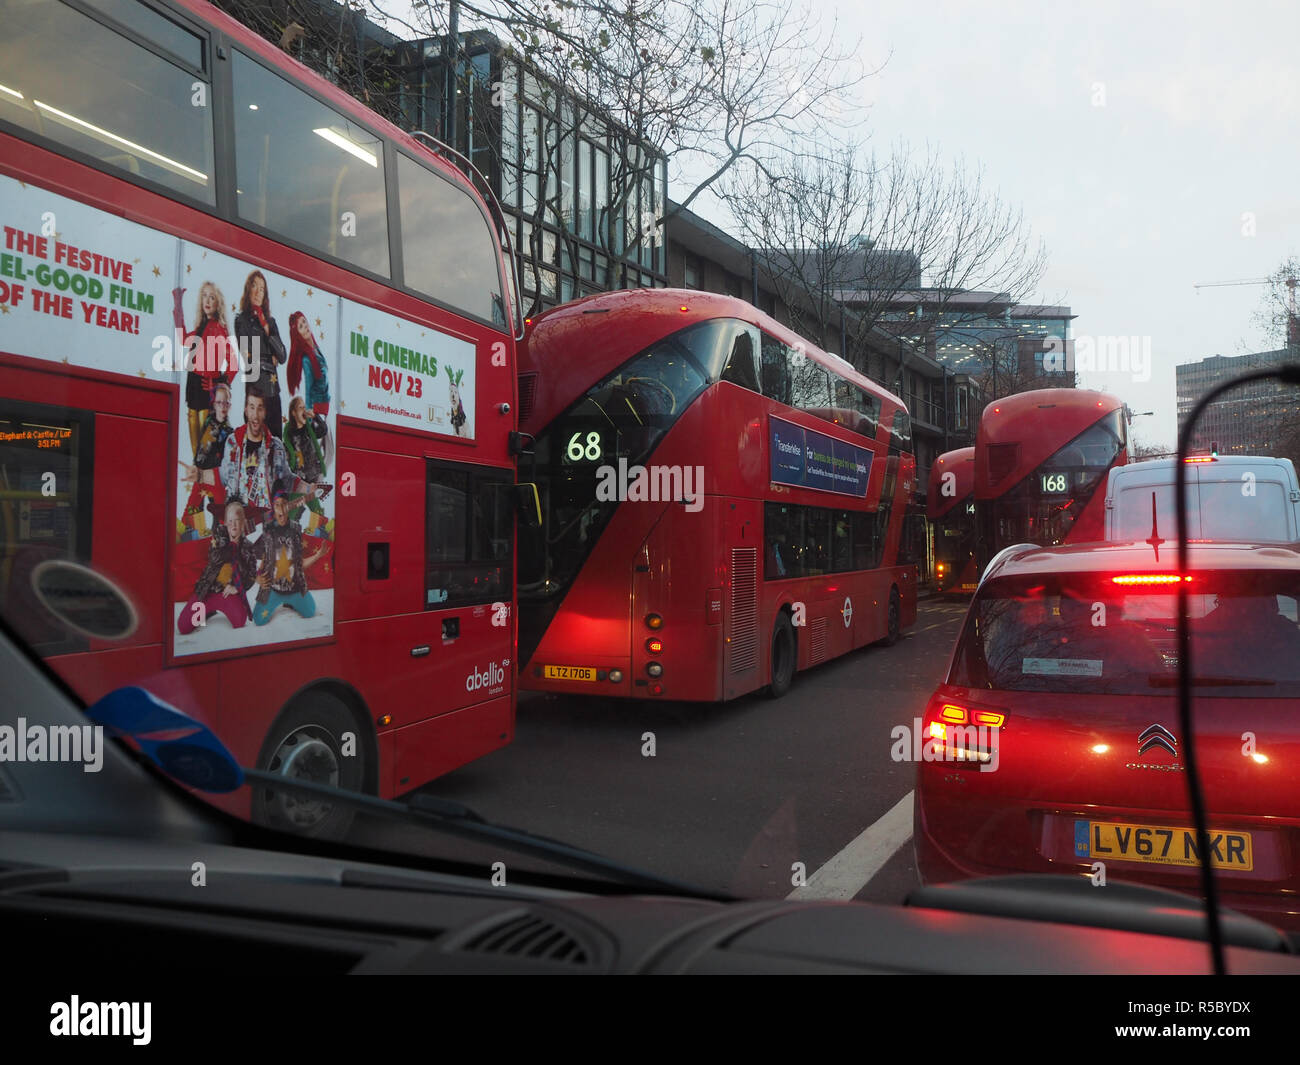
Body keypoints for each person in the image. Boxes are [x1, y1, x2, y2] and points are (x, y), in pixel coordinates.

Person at [178, 501, 258, 634]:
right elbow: (215, 558)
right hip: (207, 591)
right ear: (225, 522)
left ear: (243, 523)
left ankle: (219, 607)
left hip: (226, 593)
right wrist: (232, 545)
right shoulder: (219, 536)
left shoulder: (248, 546)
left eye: (237, 520)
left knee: (239, 621)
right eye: (230, 520)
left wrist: (237, 588)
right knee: (184, 627)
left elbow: (252, 574)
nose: (233, 524)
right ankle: (207, 612)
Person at [175, 282, 236, 454]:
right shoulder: (201, 326)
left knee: (204, 446)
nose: (207, 300)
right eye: (204, 296)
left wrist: (220, 386)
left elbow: (234, 365)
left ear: (218, 303)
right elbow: (183, 340)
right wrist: (178, 306)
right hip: (192, 382)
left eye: (212, 297)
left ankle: (206, 478)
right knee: (196, 448)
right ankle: (199, 479)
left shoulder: (219, 329)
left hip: (205, 386)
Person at [220, 392, 293, 532]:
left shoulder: (276, 445)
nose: (255, 414)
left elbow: (287, 479)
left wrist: (309, 488)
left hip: (267, 524)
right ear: (246, 410)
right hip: (240, 523)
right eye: (252, 407)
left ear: (265, 412)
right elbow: (224, 478)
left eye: (260, 408)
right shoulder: (232, 442)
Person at [253, 487, 325, 625]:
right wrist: (257, 577)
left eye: (283, 504)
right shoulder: (268, 529)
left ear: (288, 506)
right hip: (273, 588)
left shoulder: (296, 530)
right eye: (277, 504)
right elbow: (261, 560)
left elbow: (299, 563)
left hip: (295, 588)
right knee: (259, 620)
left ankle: (291, 602)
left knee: (310, 612)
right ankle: (279, 599)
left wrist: (318, 555)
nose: (281, 508)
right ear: (273, 508)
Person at [234, 270, 287, 437]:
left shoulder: (270, 322)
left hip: (272, 392)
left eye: (262, 288)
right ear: (248, 289)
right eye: (255, 286)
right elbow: (249, 355)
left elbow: (283, 355)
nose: (258, 291)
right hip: (254, 392)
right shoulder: (241, 320)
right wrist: (271, 360)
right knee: (254, 443)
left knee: (275, 442)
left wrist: (267, 330)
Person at [179, 381, 234, 538]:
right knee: (194, 504)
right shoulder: (209, 422)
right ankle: (189, 531)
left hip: (216, 477)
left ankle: (219, 534)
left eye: (226, 403)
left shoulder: (229, 431)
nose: (223, 406)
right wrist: (196, 464)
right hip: (202, 473)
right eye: (219, 402)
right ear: (214, 404)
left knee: (219, 509)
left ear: (229, 405)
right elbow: (201, 447)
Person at [287, 311, 330, 416]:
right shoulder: (307, 360)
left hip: (324, 411)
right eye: (301, 326)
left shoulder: (316, 349)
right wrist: (309, 418)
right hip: (317, 413)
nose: (305, 326)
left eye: (304, 321)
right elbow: (308, 390)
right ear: (298, 335)